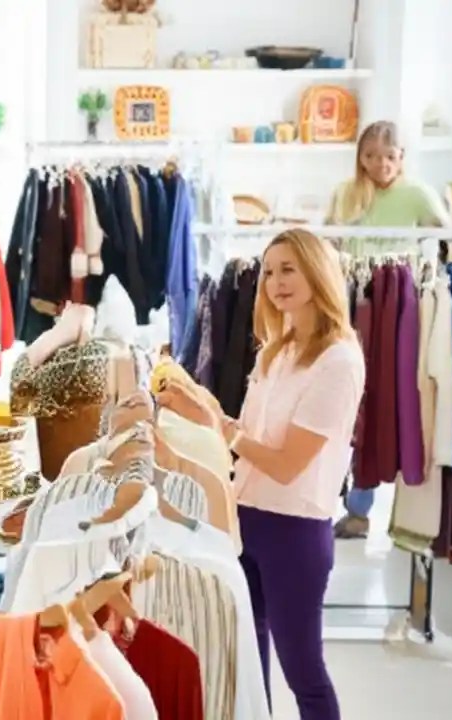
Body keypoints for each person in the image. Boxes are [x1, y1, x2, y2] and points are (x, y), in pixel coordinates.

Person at [158, 228, 365, 720]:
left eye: (288, 269)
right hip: (245, 515)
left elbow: (288, 464)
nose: (275, 282)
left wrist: (218, 427)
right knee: (248, 659)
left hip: (294, 531)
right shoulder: (278, 348)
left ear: (318, 272)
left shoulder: (338, 360)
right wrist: (198, 407)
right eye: (269, 271)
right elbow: (244, 435)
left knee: (303, 670)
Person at [327, 119, 452, 538]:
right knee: (347, 398)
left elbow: (450, 238)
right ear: (359, 158)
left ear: (401, 158)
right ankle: (343, 500)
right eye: (370, 156)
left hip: (398, 302)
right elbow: (327, 241)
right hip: (351, 297)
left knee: (386, 396)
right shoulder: (346, 193)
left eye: (388, 156)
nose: (380, 164)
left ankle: (364, 507)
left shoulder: (417, 193)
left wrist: (434, 275)